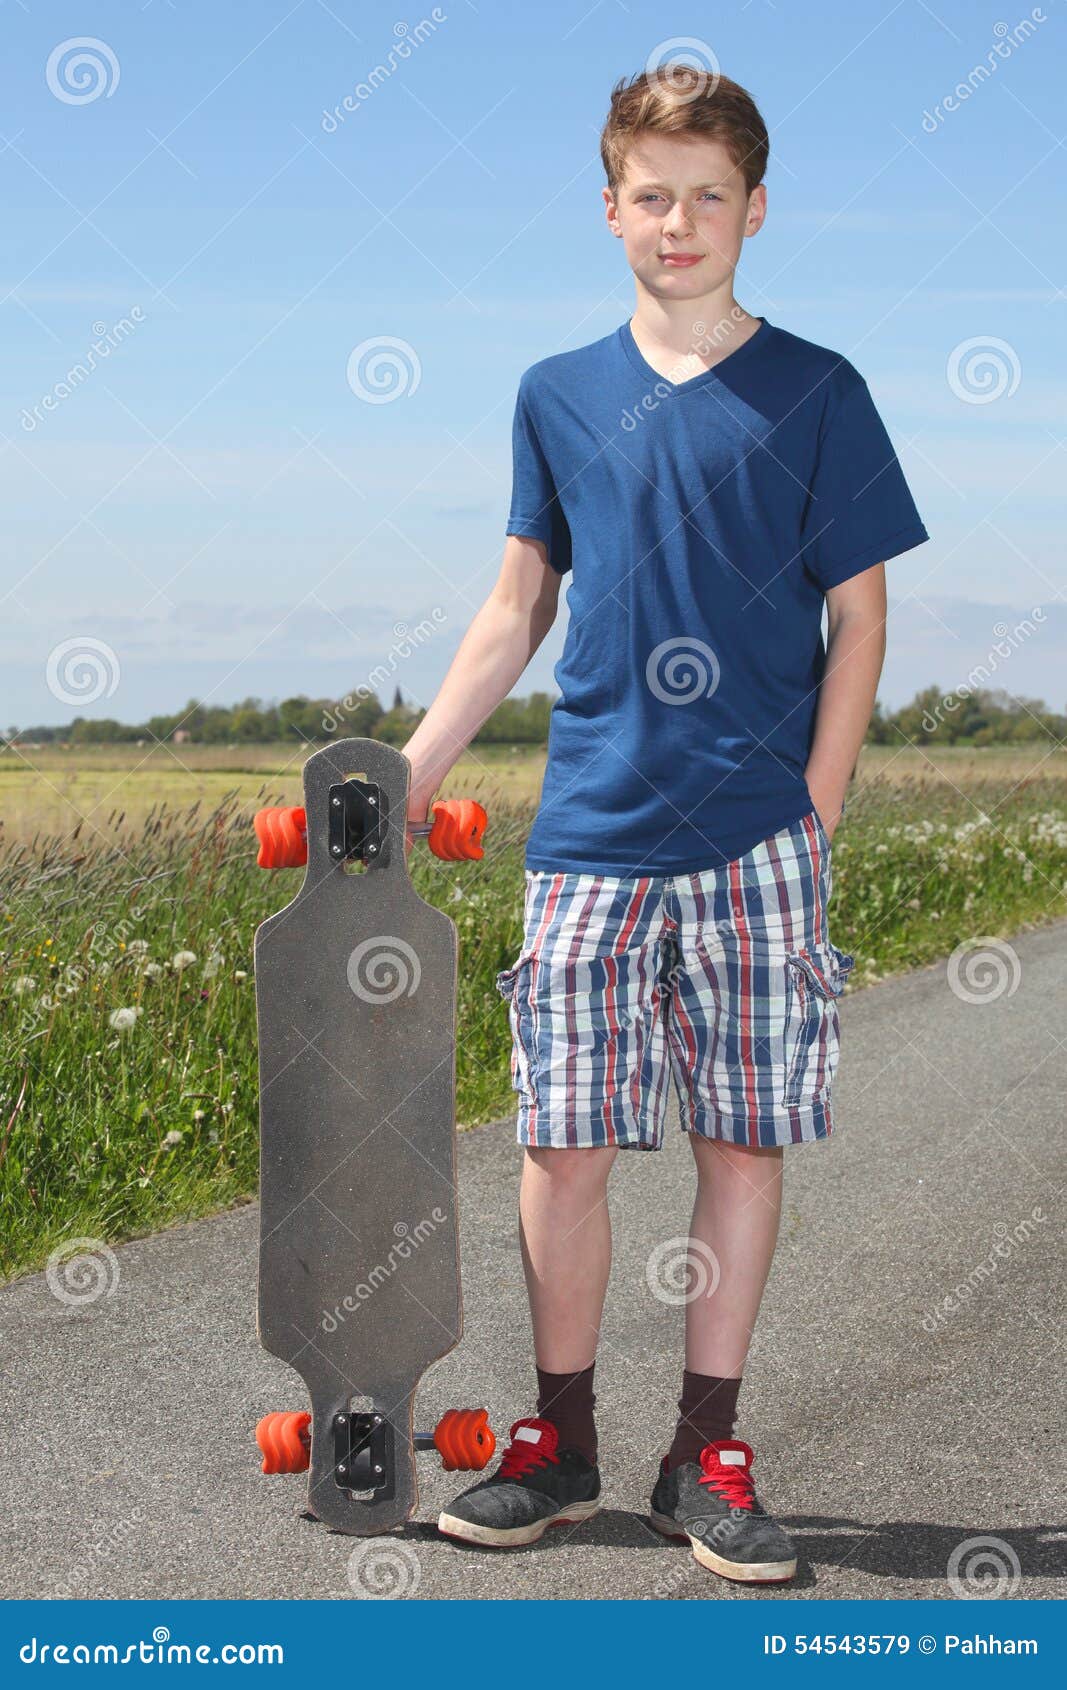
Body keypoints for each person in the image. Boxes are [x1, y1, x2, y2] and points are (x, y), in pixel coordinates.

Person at [402, 66, 927, 1582]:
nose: (679, 221)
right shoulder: (557, 393)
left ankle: (707, 1449)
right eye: (652, 193)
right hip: (590, 833)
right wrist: (422, 764)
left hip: (760, 839)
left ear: (755, 210)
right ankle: (558, 1443)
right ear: (611, 207)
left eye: (710, 195)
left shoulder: (818, 389)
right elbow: (518, 609)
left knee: (741, 1143)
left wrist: (813, 818)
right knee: (562, 1142)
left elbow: (864, 615)